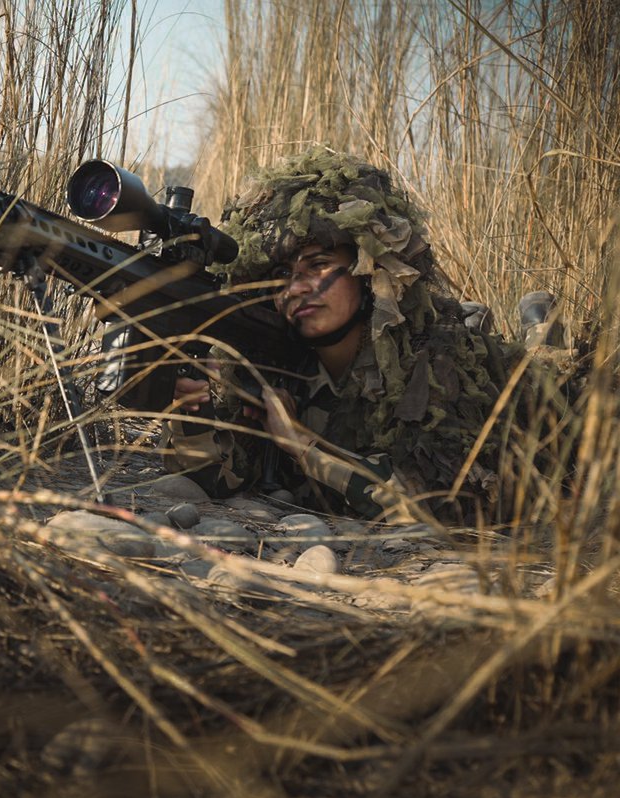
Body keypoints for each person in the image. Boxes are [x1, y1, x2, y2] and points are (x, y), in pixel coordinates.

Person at [161, 148, 524, 523]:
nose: (296, 289)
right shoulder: (276, 364)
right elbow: (222, 481)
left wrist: (301, 444)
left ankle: (538, 325)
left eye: (318, 265)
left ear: (368, 270)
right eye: (282, 275)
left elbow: (441, 506)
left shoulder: (430, 360)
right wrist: (193, 411)